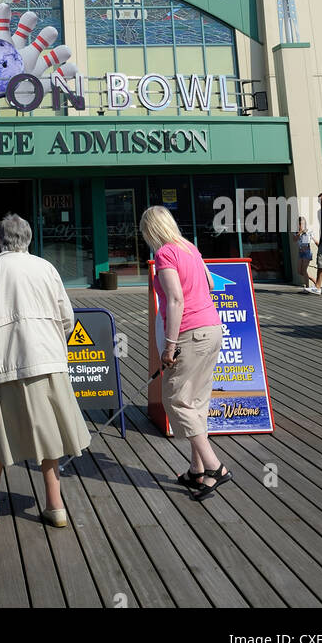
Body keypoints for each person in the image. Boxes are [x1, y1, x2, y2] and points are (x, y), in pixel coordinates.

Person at [0, 213, 91, 527]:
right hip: (49, 359)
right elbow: (66, 317)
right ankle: (55, 505)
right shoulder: (46, 268)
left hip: (9, 361)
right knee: (50, 435)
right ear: (28, 239)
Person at [141, 205, 232, 501]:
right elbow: (209, 283)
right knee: (197, 401)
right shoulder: (190, 247)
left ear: (150, 230)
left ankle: (215, 467)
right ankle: (197, 470)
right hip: (212, 328)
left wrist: (170, 344)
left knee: (177, 399)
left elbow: (175, 300)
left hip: (189, 333)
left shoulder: (165, 254)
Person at [296, 216, 319, 293]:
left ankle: (307, 288)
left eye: (302, 223)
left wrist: (321, 247)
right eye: (299, 223)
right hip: (300, 253)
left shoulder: (309, 231)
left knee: (304, 270)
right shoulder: (296, 232)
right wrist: (300, 232)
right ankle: (313, 280)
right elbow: (294, 239)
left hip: (307, 252)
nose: (301, 225)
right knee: (299, 271)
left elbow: (315, 240)